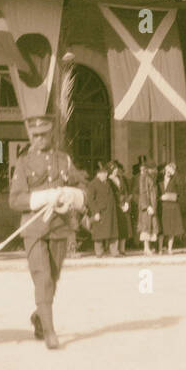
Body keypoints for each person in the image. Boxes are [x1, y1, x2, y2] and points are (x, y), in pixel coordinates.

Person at [8, 113, 86, 350]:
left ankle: (39, 316)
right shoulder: (24, 163)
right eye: (35, 135)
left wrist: (72, 195)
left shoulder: (64, 160)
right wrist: (44, 197)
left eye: (44, 134)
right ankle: (51, 332)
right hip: (34, 229)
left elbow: (81, 185)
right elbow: (15, 200)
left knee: (53, 278)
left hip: (59, 228)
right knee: (43, 278)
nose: (39, 139)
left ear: (52, 133)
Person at [85, 162, 118, 257]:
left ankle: (114, 251)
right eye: (104, 174)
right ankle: (99, 252)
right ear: (98, 174)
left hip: (110, 211)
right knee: (99, 233)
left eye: (106, 173)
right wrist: (95, 212)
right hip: (101, 211)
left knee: (113, 232)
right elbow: (91, 200)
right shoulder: (93, 184)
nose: (106, 175)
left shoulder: (108, 183)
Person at [158, 162, 183, 254]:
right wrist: (160, 197)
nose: (168, 172)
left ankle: (169, 249)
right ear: (164, 170)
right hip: (162, 207)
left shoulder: (175, 179)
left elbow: (180, 185)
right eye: (167, 169)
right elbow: (156, 192)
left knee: (171, 229)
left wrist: (174, 173)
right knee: (162, 229)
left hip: (172, 207)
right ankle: (160, 249)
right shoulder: (159, 180)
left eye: (170, 170)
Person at [108, 161, 132, 256]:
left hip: (123, 205)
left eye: (116, 169)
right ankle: (114, 250)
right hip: (115, 206)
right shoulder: (108, 180)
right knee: (115, 228)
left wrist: (126, 203)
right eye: (114, 169)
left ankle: (122, 249)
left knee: (124, 227)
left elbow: (126, 191)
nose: (116, 170)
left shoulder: (121, 179)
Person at [136, 157, 158, 255]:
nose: (155, 170)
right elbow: (143, 192)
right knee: (146, 226)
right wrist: (148, 206)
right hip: (147, 206)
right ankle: (146, 248)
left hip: (151, 204)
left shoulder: (150, 177)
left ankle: (148, 248)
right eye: (153, 168)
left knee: (151, 226)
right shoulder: (144, 177)